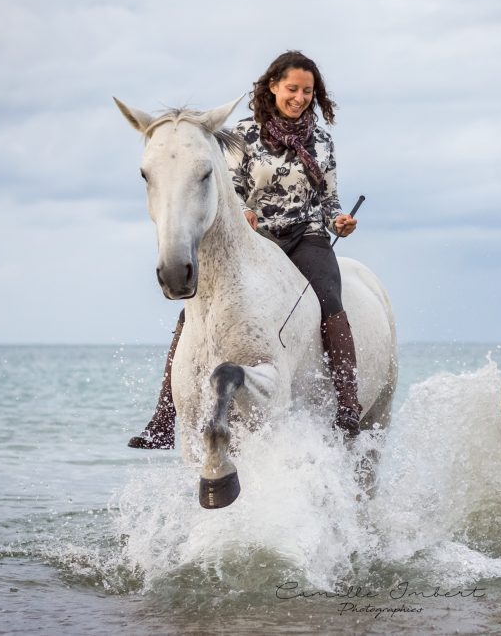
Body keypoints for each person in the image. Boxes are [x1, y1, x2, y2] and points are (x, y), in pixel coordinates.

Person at [129, 50, 363, 449]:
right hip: (256, 237)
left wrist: (339, 220)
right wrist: (245, 213)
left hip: (306, 236)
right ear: (272, 87)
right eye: (292, 88)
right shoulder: (241, 135)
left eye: (307, 91)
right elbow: (226, 191)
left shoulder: (322, 140)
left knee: (330, 300)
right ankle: (165, 416)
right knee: (194, 310)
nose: (300, 97)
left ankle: (348, 404)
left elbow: (329, 200)